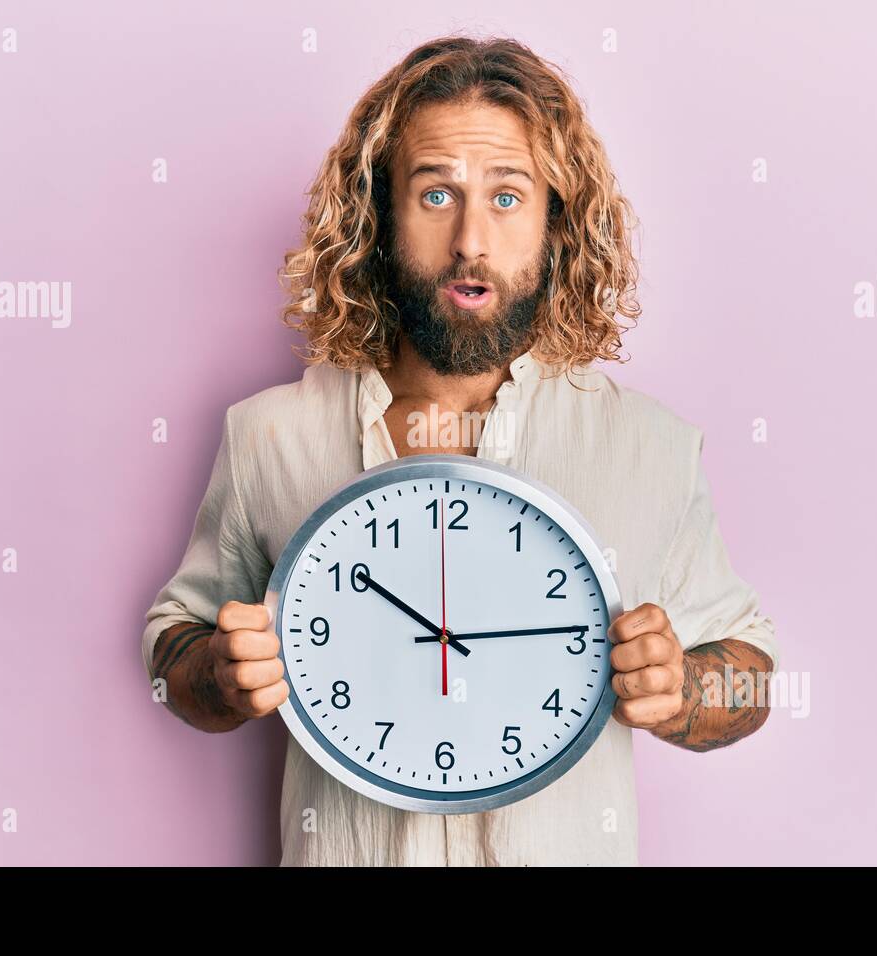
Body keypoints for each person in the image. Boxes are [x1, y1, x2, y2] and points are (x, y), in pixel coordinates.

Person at [142, 35, 779, 866]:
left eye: (508, 196)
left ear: (556, 222)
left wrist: (683, 688)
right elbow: (172, 645)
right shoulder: (270, 435)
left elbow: (752, 675)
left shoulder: (650, 446)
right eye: (436, 193)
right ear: (379, 215)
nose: (471, 239)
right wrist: (220, 674)